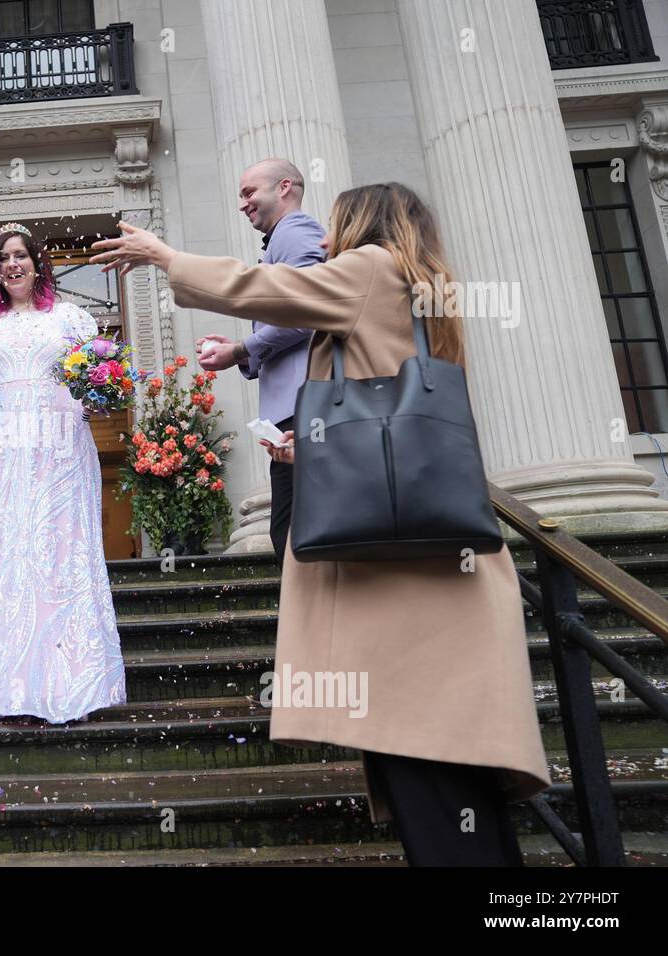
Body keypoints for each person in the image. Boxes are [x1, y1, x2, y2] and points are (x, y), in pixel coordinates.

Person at [90, 183, 550, 866]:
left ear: (360, 225)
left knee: (418, 757)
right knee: (453, 772)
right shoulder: (426, 288)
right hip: (441, 567)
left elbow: (263, 287)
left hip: (398, 581)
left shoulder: (369, 270)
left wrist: (165, 255)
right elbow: (397, 417)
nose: (326, 243)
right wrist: (317, 443)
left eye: (335, 228)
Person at [0, 223, 126, 724]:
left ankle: (68, 682)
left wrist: (104, 395)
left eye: (21, 255)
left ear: (37, 263)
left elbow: (92, 381)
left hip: (57, 448)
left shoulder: (69, 318)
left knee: (57, 550)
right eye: (4, 258)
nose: (13, 264)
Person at [195, 159, 325, 563]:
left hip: (305, 407)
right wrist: (241, 350)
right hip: (294, 411)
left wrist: (239, 350)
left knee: (294, 530)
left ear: (284, 187)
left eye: (249, 192)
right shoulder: (283, 238)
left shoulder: (296, 231)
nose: (243, 203)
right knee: (290, 529)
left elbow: (307, 311)